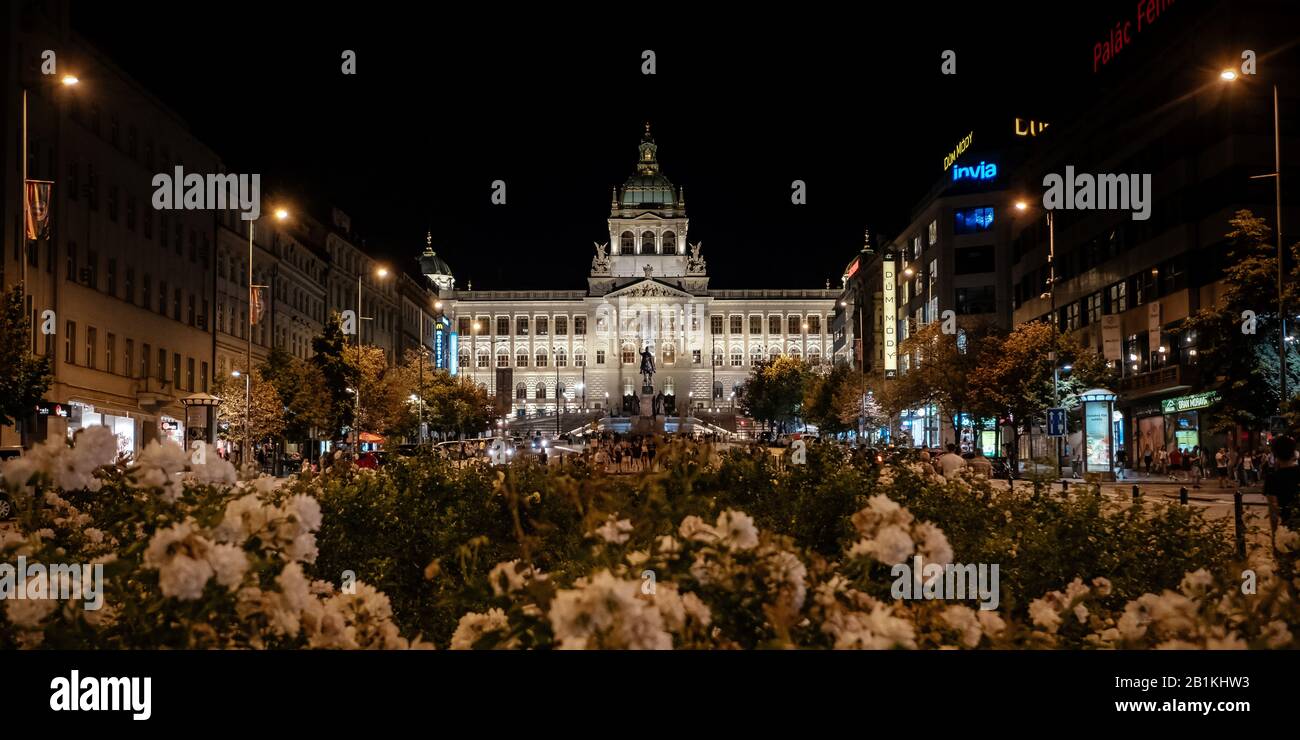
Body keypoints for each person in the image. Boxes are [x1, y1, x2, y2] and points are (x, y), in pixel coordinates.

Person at [1264, 434, 1299, 533]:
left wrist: (1274, 535)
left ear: (1275, 454)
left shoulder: (1272, 478)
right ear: (1293, 453)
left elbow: (1273, 511)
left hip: (1289, 530)